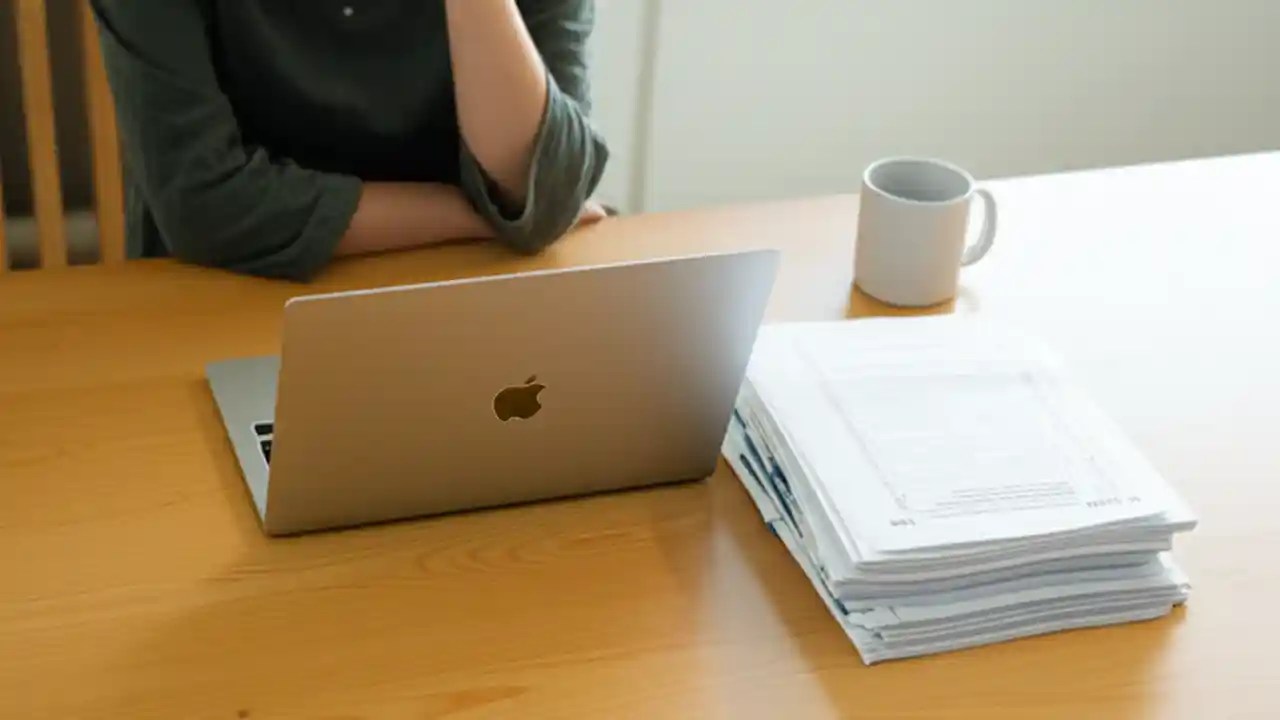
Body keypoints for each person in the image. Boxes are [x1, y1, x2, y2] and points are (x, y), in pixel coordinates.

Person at [90, 0, 609, 281]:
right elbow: (204, 205)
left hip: (460, 287)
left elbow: (538, 187)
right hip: (229, 292)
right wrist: (477, 217)